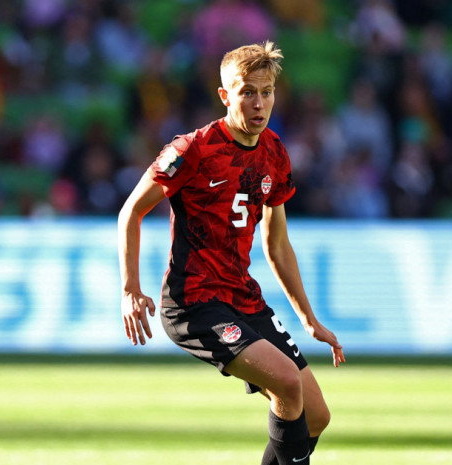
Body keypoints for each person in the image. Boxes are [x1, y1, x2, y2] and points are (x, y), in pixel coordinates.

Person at [118, 41, 345, 465]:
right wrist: (131, 288)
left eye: (267, 92)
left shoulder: (273, 151)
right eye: (247, 93)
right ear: (225, 95)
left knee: (315, 415)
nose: (259, 104)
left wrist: (308, 319)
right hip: (196, 302)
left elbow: (276, 244)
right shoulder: (192, 149)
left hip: (242, 297)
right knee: (287, 385)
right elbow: (131, 211)